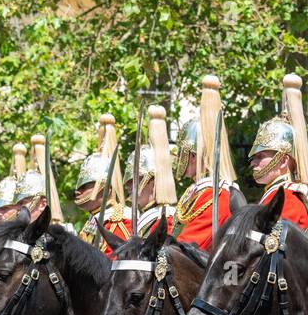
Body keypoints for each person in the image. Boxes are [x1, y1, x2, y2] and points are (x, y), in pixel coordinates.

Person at [249, 74, 308, 235]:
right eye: (254, 157)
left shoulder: (287, 200)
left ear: (283, 160)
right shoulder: (273, 194)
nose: (253, 163)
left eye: (261, 157)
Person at [171, 75, 238, 252]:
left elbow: (188, 246)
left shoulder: (215, 194)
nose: (179, 160)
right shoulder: (197, 192)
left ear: (193, 156)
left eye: (182, 154)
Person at [75, 114, 133, 255]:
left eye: (85, 186)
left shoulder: (118, 221)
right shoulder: (92, 220)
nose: (77, 192)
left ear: (104, 186)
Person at [126, 104, 176, 238]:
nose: (128, 185)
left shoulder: (164, 218)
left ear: (152, 181)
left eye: (136, 179)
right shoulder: (143, 217)